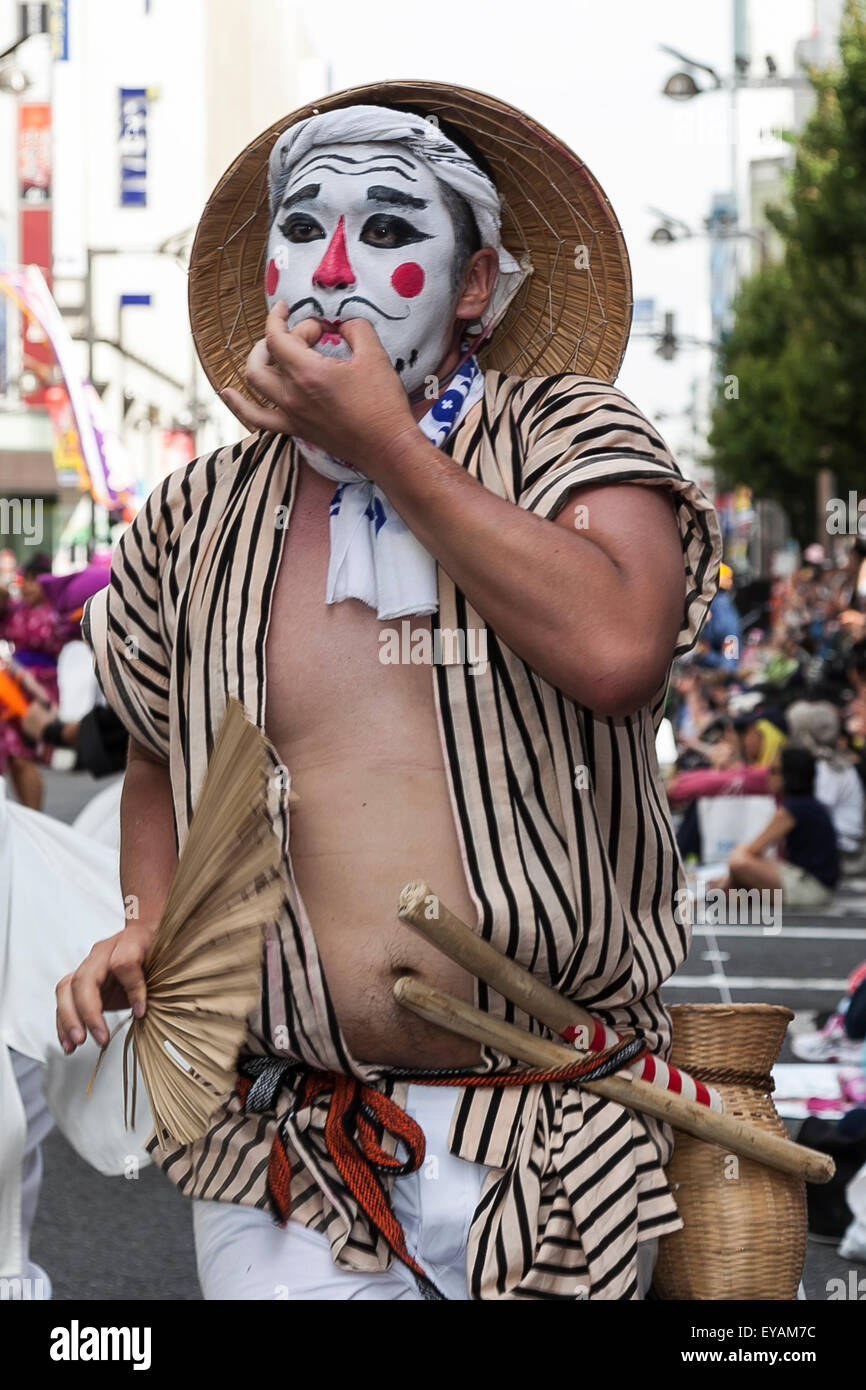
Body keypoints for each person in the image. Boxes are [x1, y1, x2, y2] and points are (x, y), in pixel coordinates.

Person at [56, 84, 721, 1301]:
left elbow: (621, 651)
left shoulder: (568, 440)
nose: (336, 266)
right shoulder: (198, 512)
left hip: (554, 1138)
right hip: (292, 1146)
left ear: (475, 287)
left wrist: (392, 451)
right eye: (302, 228)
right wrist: (149, 924)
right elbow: (153, 751)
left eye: (391, 232)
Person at [723, 745, 839, 909]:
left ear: (790, 775)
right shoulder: (807, 804)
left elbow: (754, 849)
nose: (768, 776)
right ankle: (733, 892)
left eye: (774, 770)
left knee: (738, 862)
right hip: (807, 879)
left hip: (812, 889)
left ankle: (728, 891)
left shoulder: (794, 808)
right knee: (742, 858)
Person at [0, 556, 65, 811]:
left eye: (34, 582)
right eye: (25, 581)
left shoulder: (56, 611)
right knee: (14, 754)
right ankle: (27, 817)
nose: (28, 587)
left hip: (40, 691)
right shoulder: (15, 610)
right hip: (13, 690)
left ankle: (34, 816)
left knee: (23, 754)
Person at [785, 699, 865, 870]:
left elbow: (814, 812)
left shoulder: (827, 767)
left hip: (844, 849)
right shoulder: (826, 761)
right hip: (836, 841)